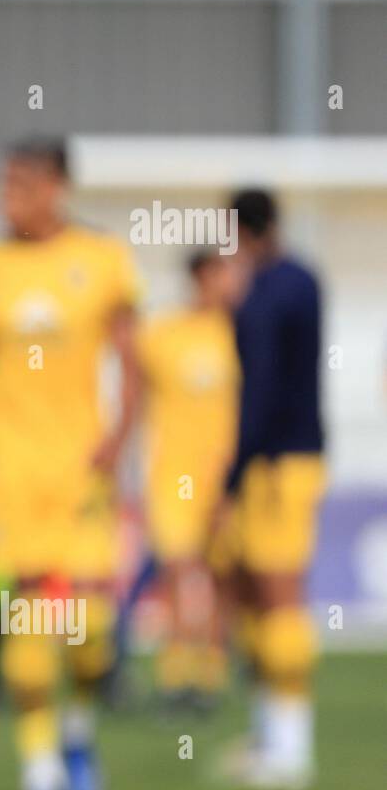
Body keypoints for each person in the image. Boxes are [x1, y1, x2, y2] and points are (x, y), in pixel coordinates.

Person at [0, 138, 141, 790]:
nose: (10, 197)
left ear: (57, 188)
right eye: (6, 183)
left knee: (89, 630)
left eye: (23, 184)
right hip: (12, 470)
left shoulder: (101, 260)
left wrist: (119, 437)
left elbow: (133, 363)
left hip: (83, 469)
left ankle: (77, 728)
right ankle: (41, 765)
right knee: (26, 627)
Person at [220, 188, 325, 789]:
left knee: (281, 597)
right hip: (293, 453)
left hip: (276, 461)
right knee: (259, 595)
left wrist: (233, 473)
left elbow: (258, 390)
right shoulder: (303, 280)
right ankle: (270, 735)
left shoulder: (261, 294)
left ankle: (291, 747)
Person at [137, 250, 240, 709]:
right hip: (172, 473)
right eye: (219, 274)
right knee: (178, 570)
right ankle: (177, 675)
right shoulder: (163, 334)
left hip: (226, 475)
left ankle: (213, 676)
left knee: (221, 574)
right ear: (201, 277)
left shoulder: (241, 334)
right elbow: (136, 396)